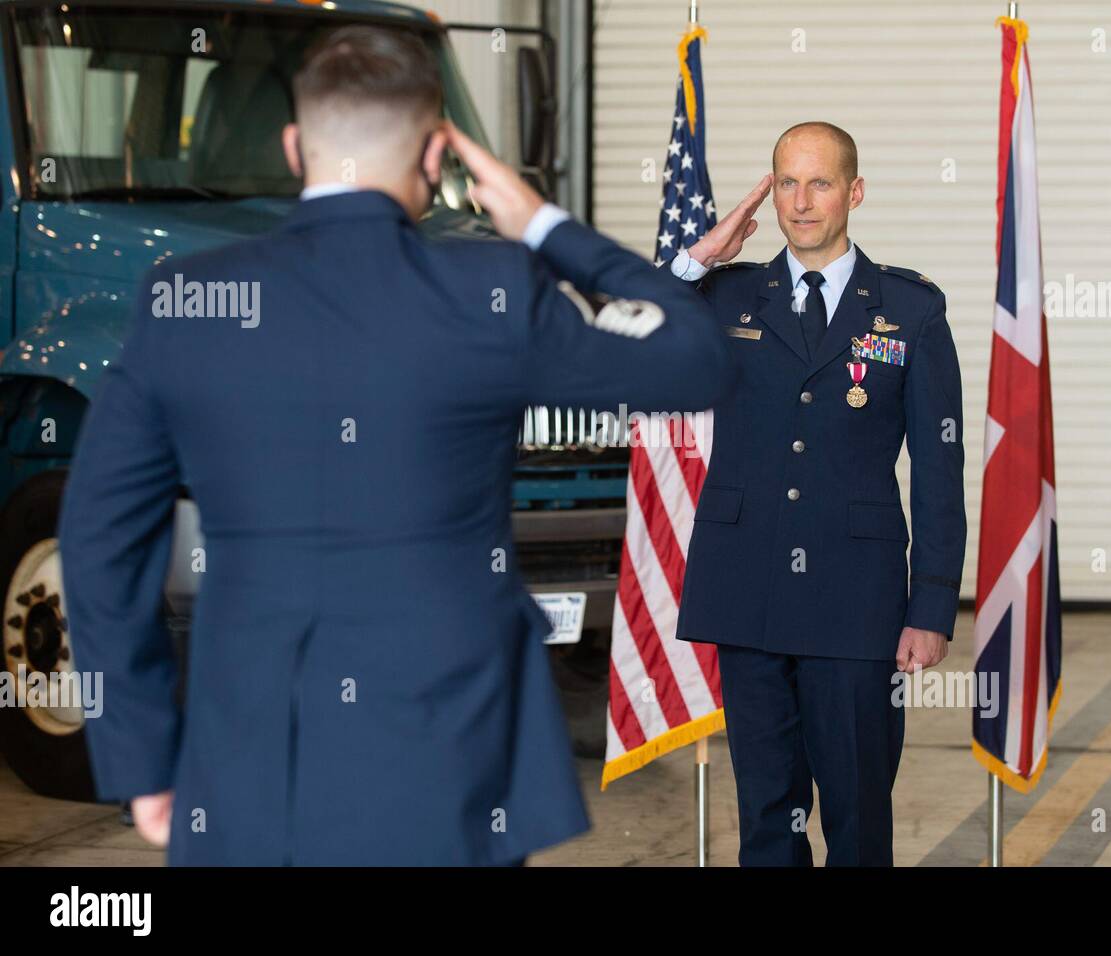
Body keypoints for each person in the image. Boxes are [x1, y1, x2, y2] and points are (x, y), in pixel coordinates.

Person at [57, 25, 734, 865]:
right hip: (453, 751)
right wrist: (548, 227)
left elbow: (96, 540)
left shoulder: (185, 299)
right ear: (436, 156)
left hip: (253, 753)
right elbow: (697, 360)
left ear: (296, 147)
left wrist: (142, 760)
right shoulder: (491, 289)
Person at [672, 121, 966, 866]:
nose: (801, 203)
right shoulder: (724, 295)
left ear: (854, 192)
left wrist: (930, 606)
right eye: (786, 184)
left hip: (856, 603)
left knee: (859, 812)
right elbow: (617, 335)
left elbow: (940, 468)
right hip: (749, 591)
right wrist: (693, 260)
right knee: (767, 815)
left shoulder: (910, 310)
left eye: (821, 182)